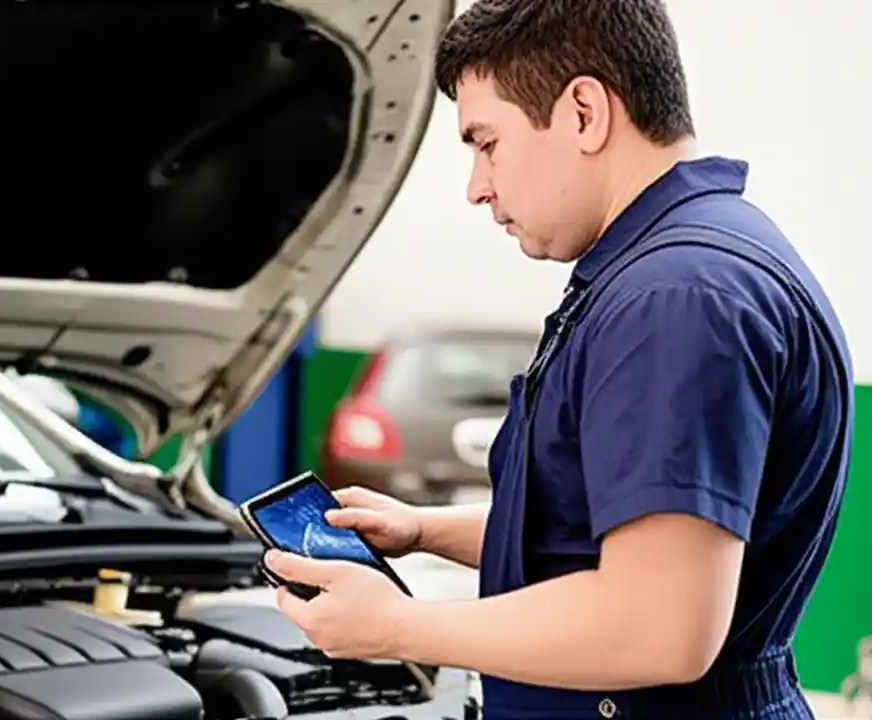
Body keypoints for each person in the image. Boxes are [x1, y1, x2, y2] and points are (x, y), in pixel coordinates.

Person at [263, 1, 854, 718]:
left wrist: (396, 627)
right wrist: (423, 530)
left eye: (486, 143)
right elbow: (597, 536)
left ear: (583, 113)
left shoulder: (674, 299)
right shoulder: (690, 263)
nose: (477, 187)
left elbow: (656, 628)